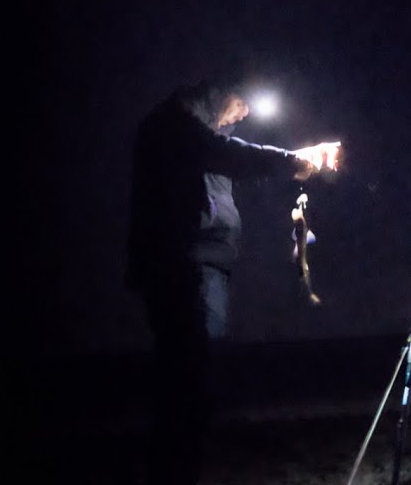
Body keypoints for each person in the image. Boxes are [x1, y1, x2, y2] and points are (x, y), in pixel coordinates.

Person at [125, 76, 324, 485]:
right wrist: (291, 161)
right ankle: (175, 474)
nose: (246, 114)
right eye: (241, 104)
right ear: (220, 95)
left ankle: (179, 471)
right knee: (188, 383)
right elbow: (227, 155)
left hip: (201, 265)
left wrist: (294, 159)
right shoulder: (173, 125)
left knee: (191, 381)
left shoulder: (198, 132)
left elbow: (230, 158)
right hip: (184, 267)